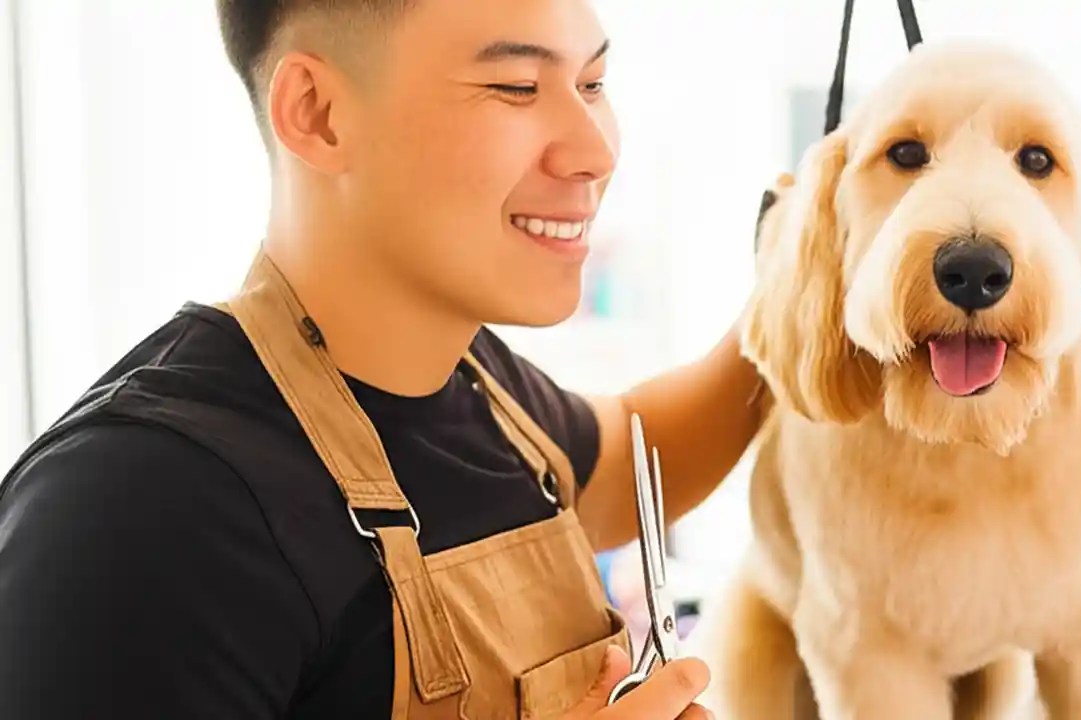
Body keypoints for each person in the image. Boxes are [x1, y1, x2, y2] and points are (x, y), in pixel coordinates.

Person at [0, 0, 767, 718]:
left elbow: (624, 464)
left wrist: (799, 287)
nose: (596, 151)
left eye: (593, 82)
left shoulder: (480, 386)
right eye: (517, 86)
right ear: (319, 114)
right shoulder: (144, 506)